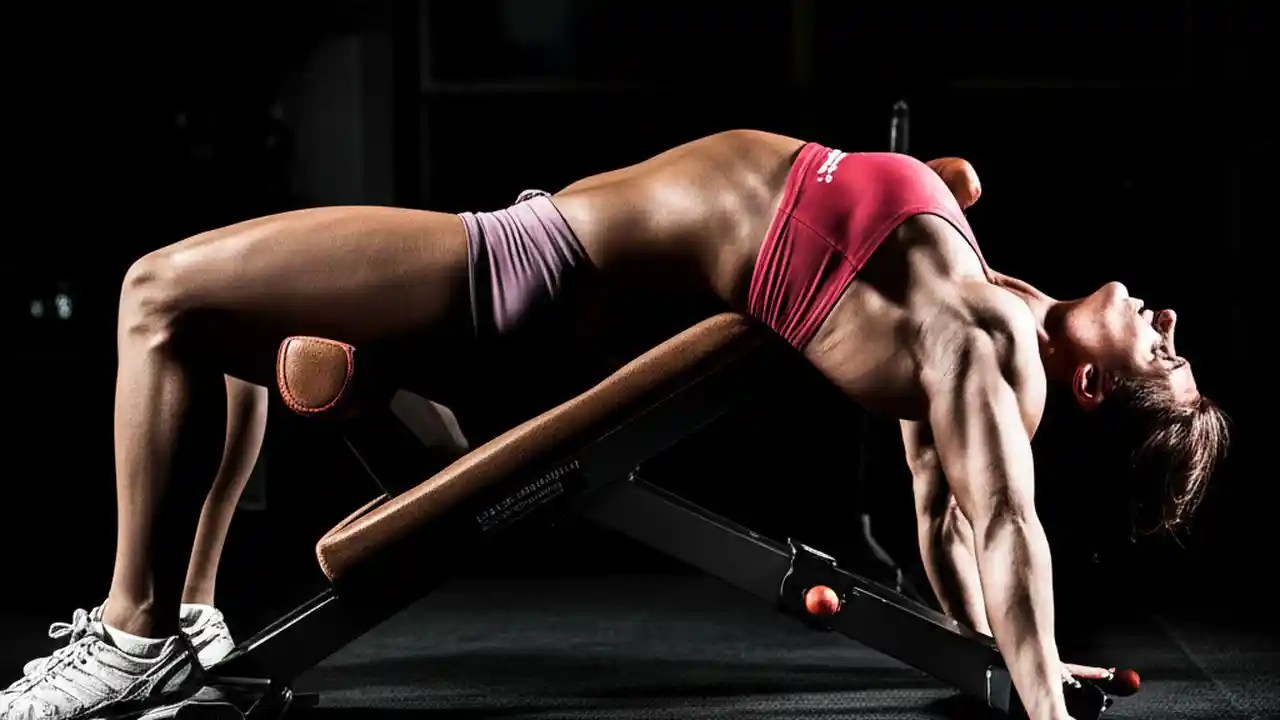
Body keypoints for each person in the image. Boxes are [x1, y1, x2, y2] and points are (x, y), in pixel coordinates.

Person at [0, 129, 1228, 720]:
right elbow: (940, 515)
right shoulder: (984, 305)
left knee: (154, 291)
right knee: (216, 320)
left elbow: (999, 519)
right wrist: (990, 658)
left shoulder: (981, 344)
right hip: (539, 244)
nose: (1165, 317)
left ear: (1086, 392)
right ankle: (188, 617)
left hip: (521, 266)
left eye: (1165, 357)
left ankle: (130, 627)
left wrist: (1041, 702)